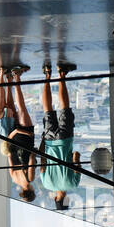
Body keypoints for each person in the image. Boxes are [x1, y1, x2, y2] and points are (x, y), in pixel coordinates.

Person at [40, 61, 81, 210]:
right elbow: (43, 162)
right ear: (56, 199)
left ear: (67, 199)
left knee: (65, 108)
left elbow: (76, 156)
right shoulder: (46, 184)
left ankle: (61, 73)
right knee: (48, 110)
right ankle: (47, 74)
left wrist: (74, 158)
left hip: (65, 140)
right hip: (50, 141)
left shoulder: (74, 184)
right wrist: (44, 141)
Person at [0, 68, 36, 202]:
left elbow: (32, 158)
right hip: (14, 138)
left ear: (31, 191)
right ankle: (8, 78)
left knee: (21, 107)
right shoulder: (14, 178)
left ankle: (17, 76)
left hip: (26, 137)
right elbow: (9, 155)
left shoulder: (30, 178)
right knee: (12, 107)